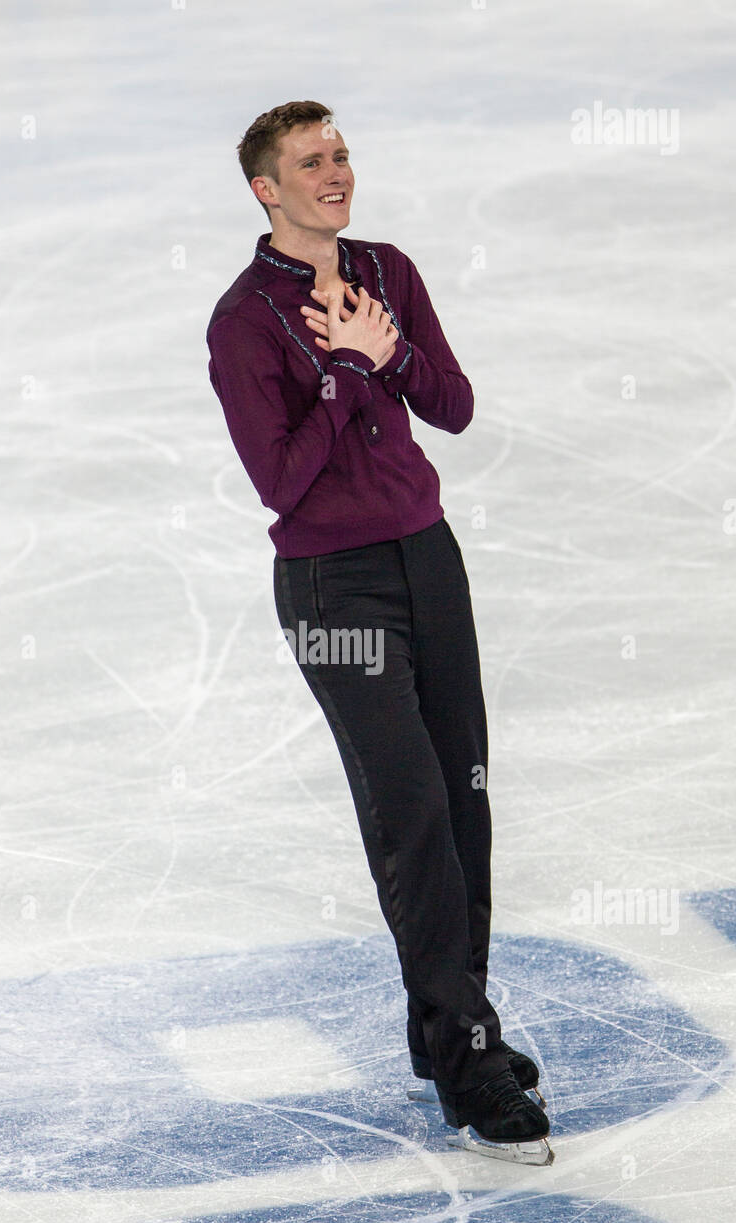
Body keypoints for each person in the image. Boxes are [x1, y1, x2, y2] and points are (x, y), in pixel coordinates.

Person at [206, 100, 552, 1165]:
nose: (335, 172)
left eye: (341, 153)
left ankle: (449, 1025)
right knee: (409, 811)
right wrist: (347, 368)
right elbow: (280, 479)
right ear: (266, 188)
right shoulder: (241, 322)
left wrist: (384, 351)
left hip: (426, 561)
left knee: (464, 799)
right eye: (310, 161)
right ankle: (469, 1054)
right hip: (331, 589)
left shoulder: (388, 271)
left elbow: (450, 403)